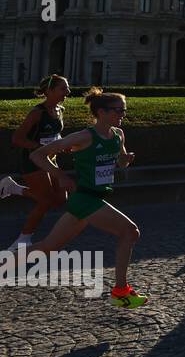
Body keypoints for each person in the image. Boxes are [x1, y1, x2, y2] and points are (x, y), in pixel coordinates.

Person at [22, 87, 148, 308]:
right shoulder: (83, 137)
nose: (123, 114)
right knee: (130, 232)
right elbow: (37, 155)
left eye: (124, 110)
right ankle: (120, 292)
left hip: (95, 197)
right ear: (101, 112)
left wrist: (125, 159)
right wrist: (61, 175)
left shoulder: (118, 135)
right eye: (118, 110)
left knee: (47, 246)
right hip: (85, 198)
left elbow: (120, 162)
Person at [1, 74, 70, 251]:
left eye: (67, 88)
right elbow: (17, 139)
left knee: (60, 199)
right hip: (33, 161)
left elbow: (55, 134)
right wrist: (40, 147)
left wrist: (62, 145)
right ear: (49, 91)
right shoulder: (37, 113)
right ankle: (23, 239)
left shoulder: (60, 109)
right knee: (45, 201)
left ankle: (13, 188)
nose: (68, 92)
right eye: (63, 88)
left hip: (51, 160)